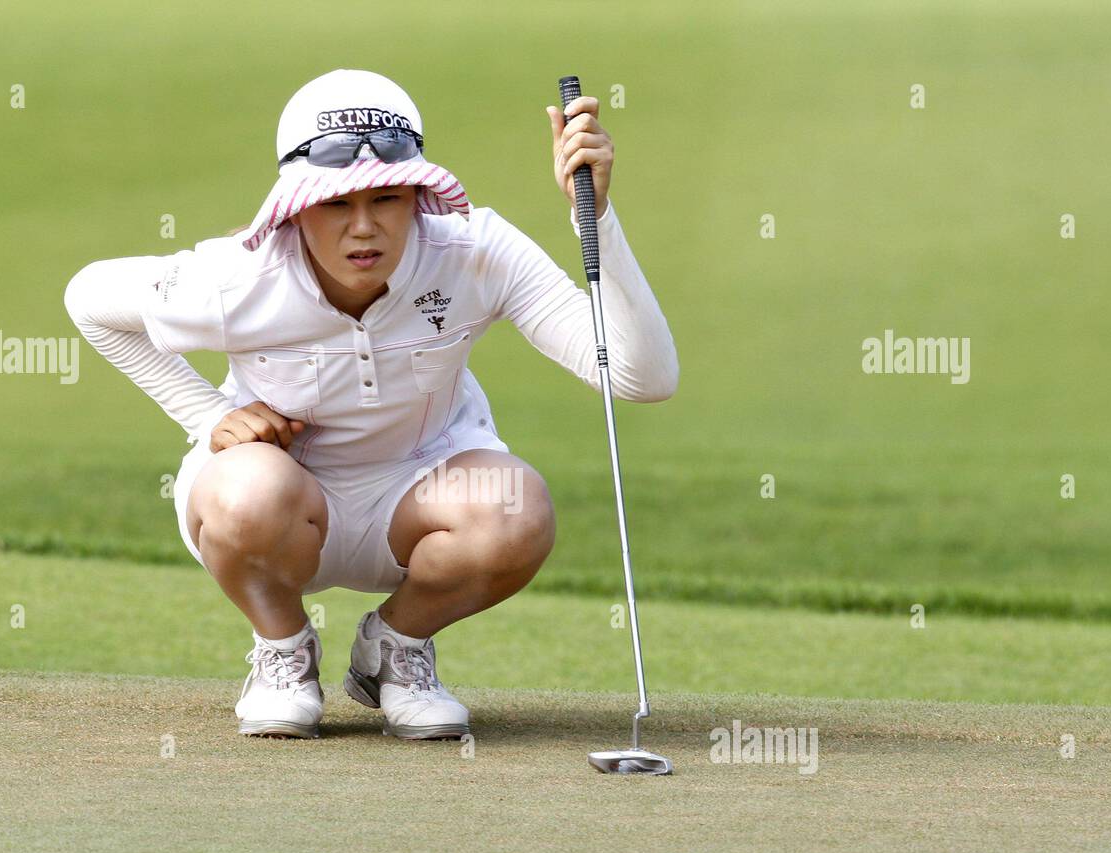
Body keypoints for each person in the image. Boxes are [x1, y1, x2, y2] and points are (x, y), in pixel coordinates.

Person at [63, 69, 677, 743]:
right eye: (336, 205)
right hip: (276, 499)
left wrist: (597, 215)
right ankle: (283, 654)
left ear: (418, 194)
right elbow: (89, 298)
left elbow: (641, 376)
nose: (364, 229)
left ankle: (395, 649)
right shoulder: (237, 275)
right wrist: (207, 418)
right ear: (297, 206)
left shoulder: (476, 251)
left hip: (423, 493)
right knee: (247, 492)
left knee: (515, 506)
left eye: (387, 198)